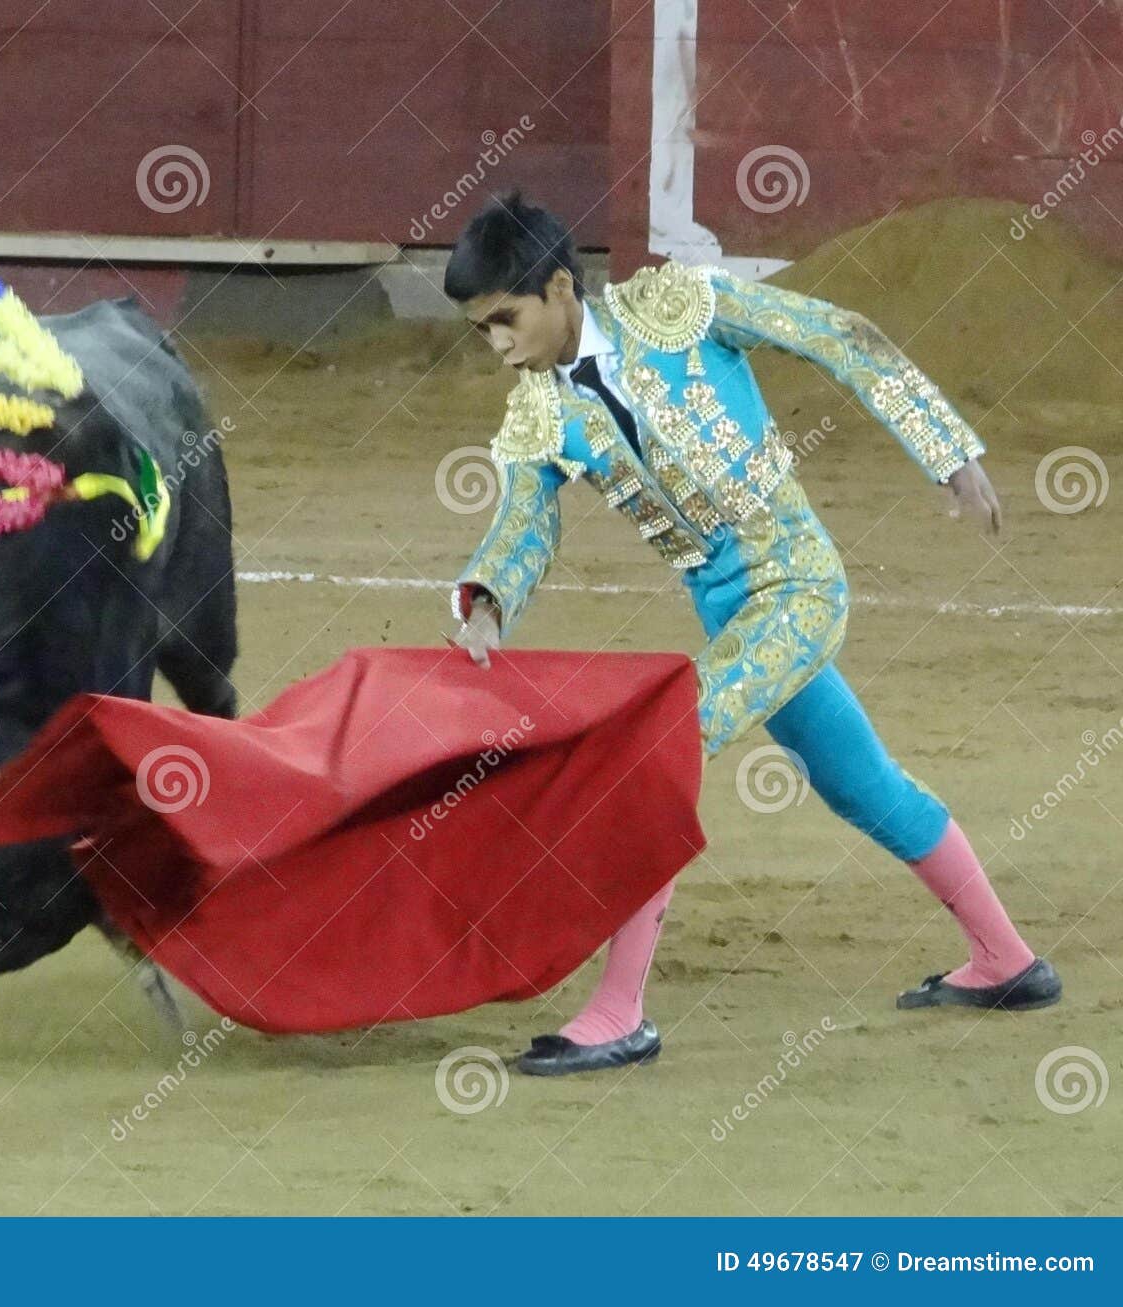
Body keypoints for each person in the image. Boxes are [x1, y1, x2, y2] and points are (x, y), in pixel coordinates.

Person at [444, 191, 1060, 1076]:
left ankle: (621, 1012)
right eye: (482, 332)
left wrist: (944, 446)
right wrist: (491, 599)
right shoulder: (537, 415)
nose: (499, 346)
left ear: (559, 289)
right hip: (728, 610)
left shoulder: (684, 305)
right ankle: (1007, 960)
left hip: (798, 585)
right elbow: (522, 524)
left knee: (659, 750)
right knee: (860, 781)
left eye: (506, 320)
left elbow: (835, 333)